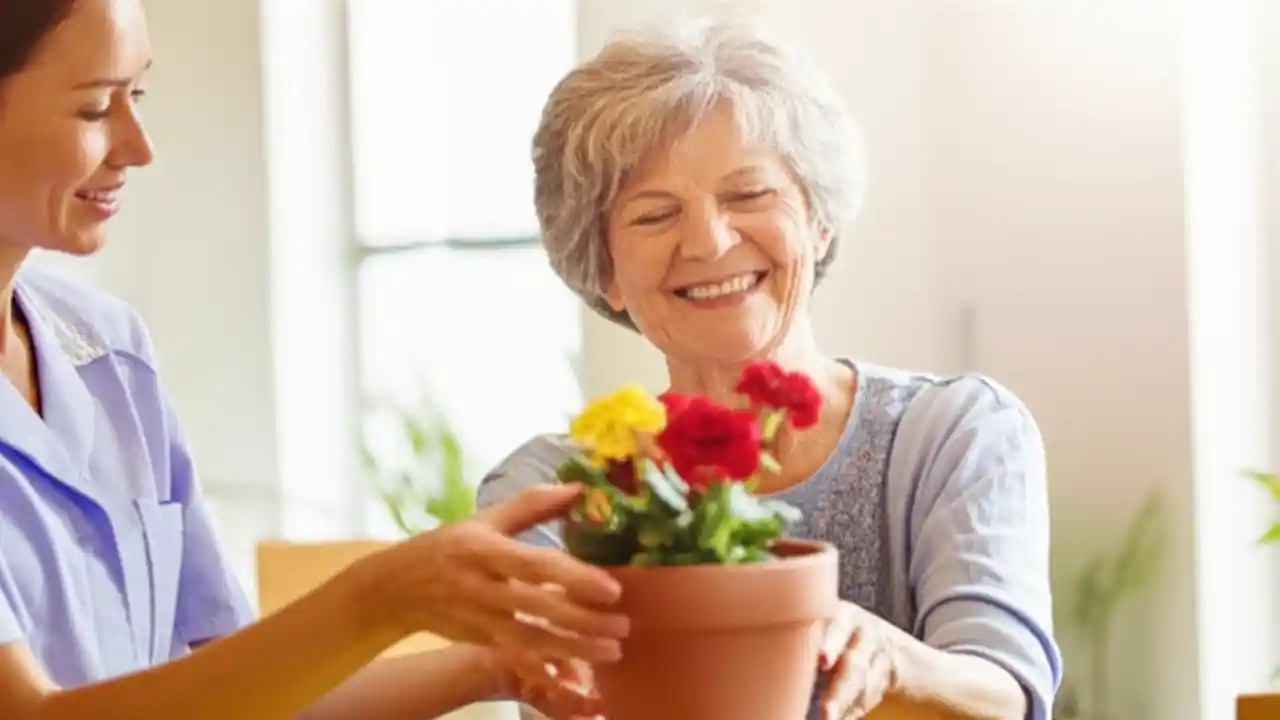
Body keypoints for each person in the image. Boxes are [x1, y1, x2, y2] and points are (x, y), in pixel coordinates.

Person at [0, 1, 624, 718]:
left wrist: (499, 661)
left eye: (135, 95)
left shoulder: (110, 353)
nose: (139, 147)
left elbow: (241, 695)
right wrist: (382, 597)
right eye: (93, 109)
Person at [478, 15, 1063, 720]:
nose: (709, 240)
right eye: (656, 215)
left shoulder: (954, 433)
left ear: (817, 221)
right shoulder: (552, 490)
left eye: (749, 195)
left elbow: (1007, 694)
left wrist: (892, 658)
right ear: (604, 271)